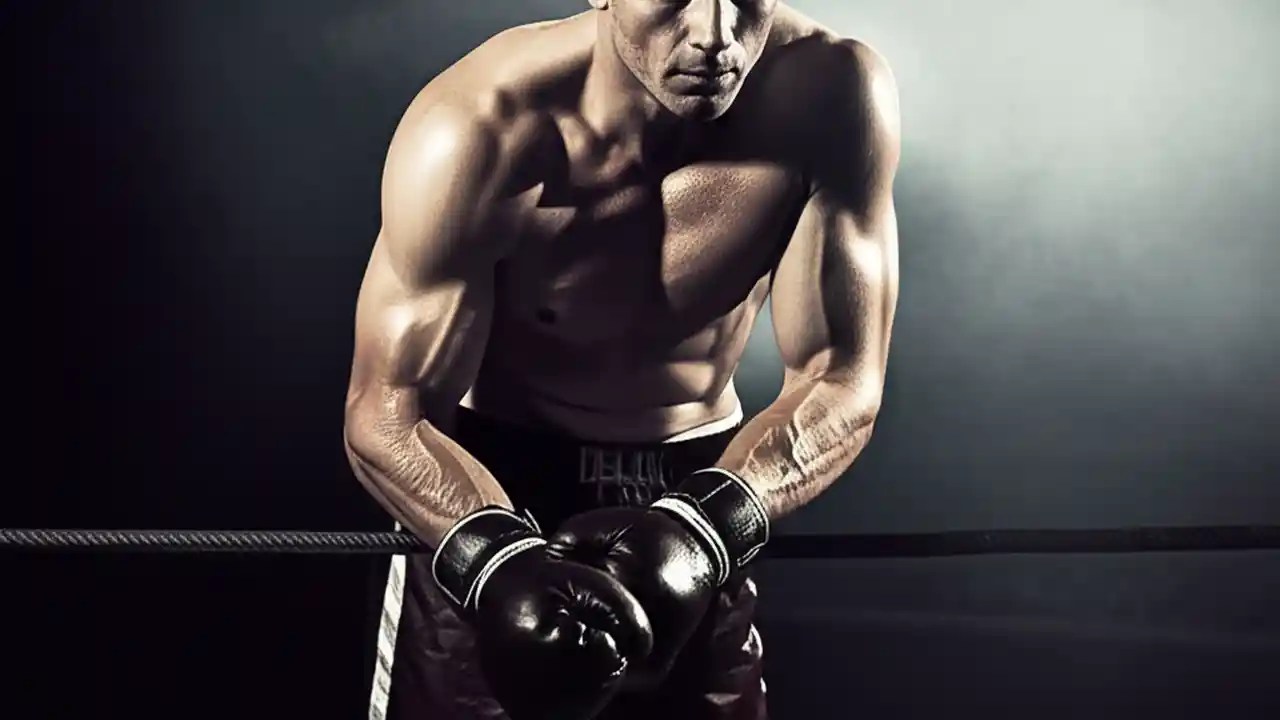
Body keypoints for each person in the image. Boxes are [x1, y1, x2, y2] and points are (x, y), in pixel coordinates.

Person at [343, 1, 900, 718]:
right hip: (492, 487)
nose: (715, 35)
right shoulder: (479, 123)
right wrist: (495, 559)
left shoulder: (830, 93)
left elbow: (842, 378)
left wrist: (709, 527)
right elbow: (387, 412)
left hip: (701, 487)